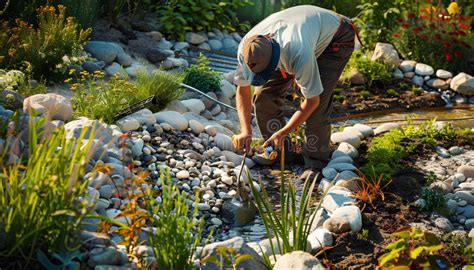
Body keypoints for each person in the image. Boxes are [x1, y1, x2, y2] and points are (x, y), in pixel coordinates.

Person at [232, 5, 359, 179]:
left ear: (275, 60)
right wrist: (245, 131)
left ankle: (315, 162)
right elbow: (242, 89)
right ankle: (280, 152)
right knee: (263, 97)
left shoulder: (298, 52)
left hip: (335, 37)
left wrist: (284, 131)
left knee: (319, 102)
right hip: (301, 35)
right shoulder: (247, 49)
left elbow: (312, 101)